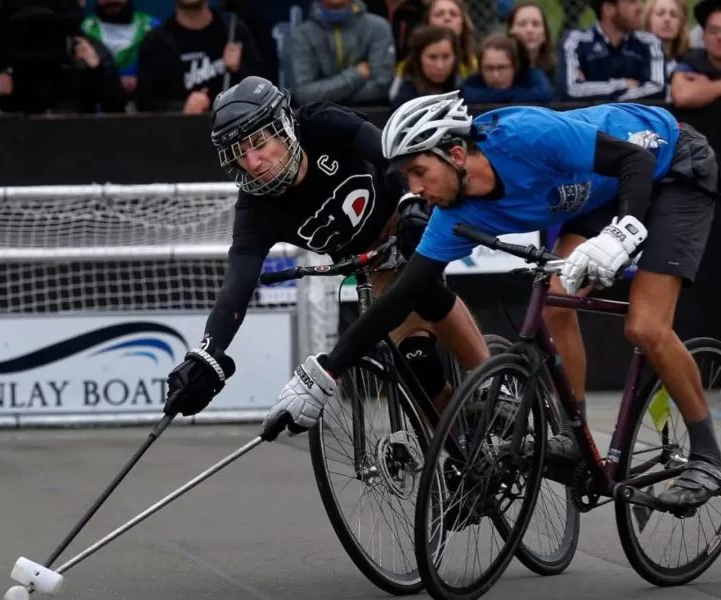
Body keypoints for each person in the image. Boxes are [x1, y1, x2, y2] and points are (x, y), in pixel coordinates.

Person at [262, 92, 721, 511]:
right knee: (554, 304)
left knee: (645, 327)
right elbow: (403, 295)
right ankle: (574, 434)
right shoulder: (453, 214)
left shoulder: (525, 135)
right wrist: (328, 370)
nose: (415, 190)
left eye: (420, 172)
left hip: (665, 163)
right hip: (598, 190)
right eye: (407, 177)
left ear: (457, 153)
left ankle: (709, 457)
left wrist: (623, 231)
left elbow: (635, 163)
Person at [161, 76, 490, 422]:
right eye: (240, 154)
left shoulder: (320, 122)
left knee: (425, 290)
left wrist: (411, 202)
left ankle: (492, 384)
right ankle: (458, 459)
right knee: (417, 365)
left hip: (406, 215)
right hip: (369, 263)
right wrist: (209, 350)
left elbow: (389, 153)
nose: (254, 161)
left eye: (259, 142)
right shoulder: (255, 209)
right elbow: (236, 287)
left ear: (283, 125)